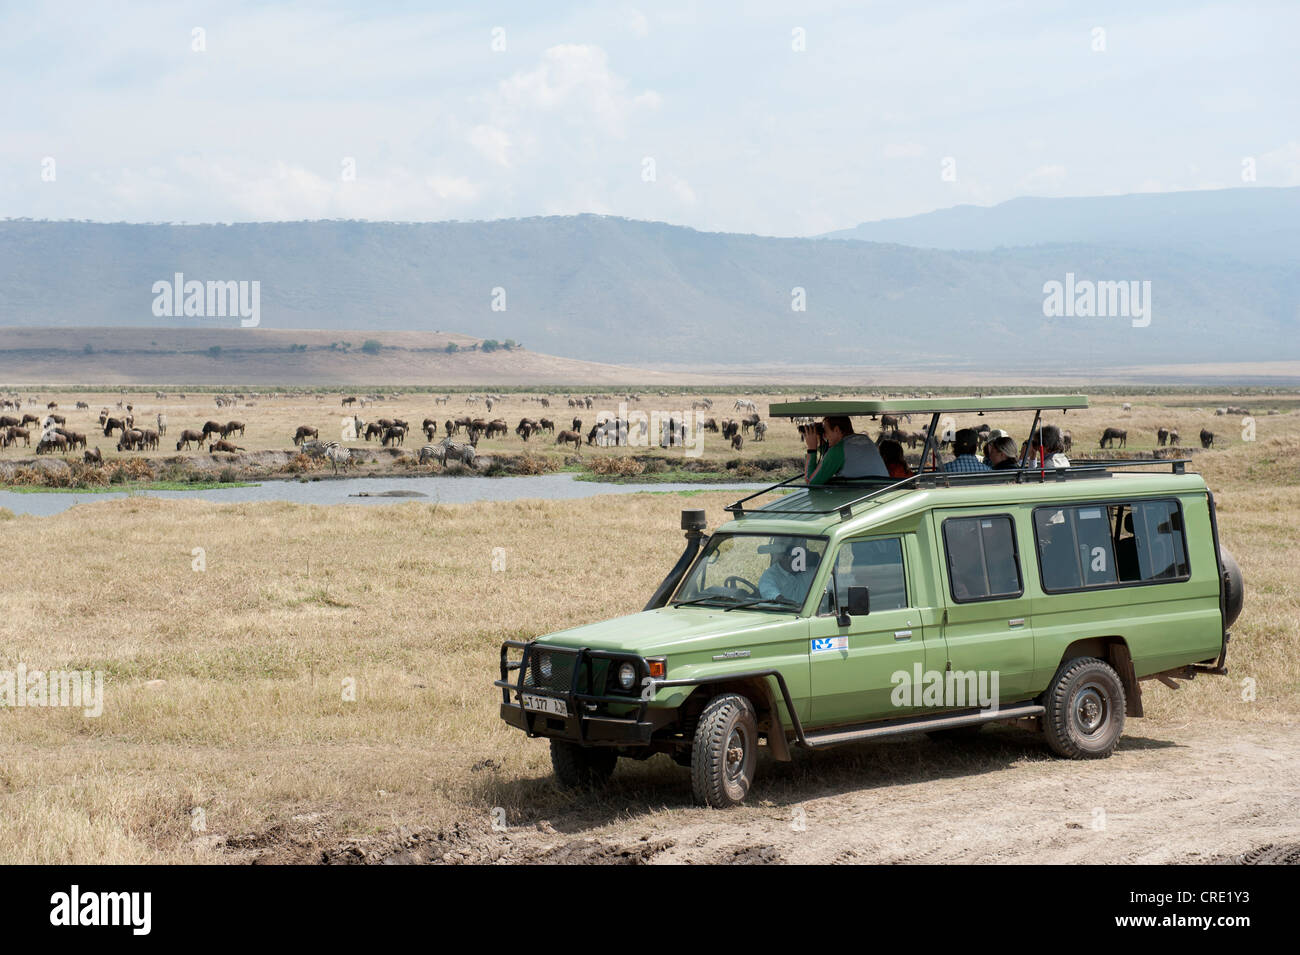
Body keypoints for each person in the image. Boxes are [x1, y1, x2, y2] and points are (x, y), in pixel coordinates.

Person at [803, 415, 888, 484]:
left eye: (826, 432)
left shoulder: (838, 450)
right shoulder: (865, 439)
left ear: (837, 430)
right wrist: (820, 442)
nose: (825, 436)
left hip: (862, 496)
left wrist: (811, 449)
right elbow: (831, 458)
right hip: (884, 491)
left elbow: (811, 482)